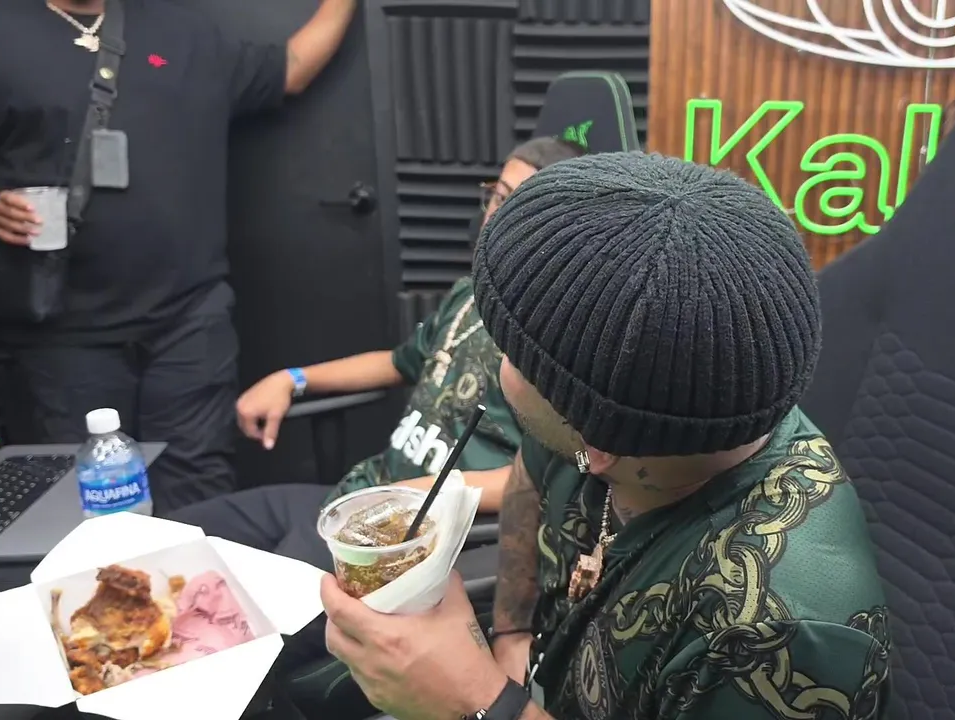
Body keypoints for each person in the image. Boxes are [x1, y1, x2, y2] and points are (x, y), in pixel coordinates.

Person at [319, 152, 892, 720]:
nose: (500, 363)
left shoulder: (779, 634)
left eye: (511, 355)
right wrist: (512, 631)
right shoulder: (587, 410)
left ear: (598, 447)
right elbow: (527, 478)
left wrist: (476, 704)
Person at [167, 136, 587, 666]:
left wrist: (423, 495)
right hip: (358, 496)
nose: (495, 218)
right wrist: (292, 378)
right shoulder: (470, 294)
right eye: (497, 197)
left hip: (402, 543)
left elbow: (545, 475)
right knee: (171, 538)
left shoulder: (560, 337)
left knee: (211, 630)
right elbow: (397, 362)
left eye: (518, 205)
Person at [0, 0, 355, 513]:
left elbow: (291, 69)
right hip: (63, 331)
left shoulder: (181, 28)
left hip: (187, 320)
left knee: (199, 492)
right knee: (89, 506)